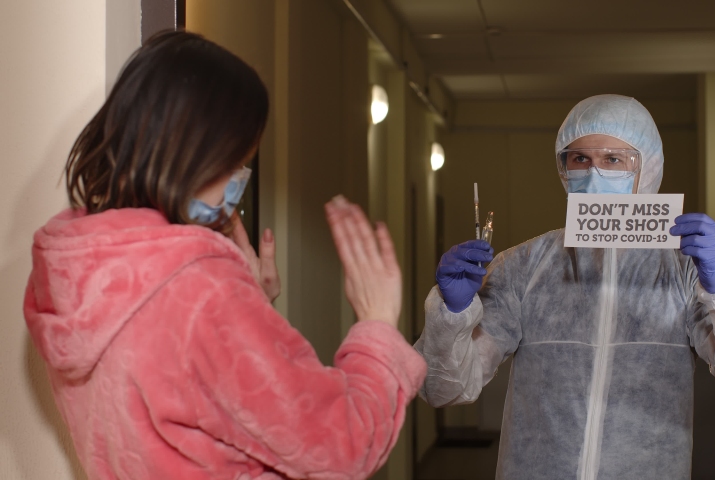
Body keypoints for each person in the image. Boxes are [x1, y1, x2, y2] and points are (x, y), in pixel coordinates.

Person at [24, 31, 425, 480]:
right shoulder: (202, 292)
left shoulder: (75, 272)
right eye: (234, 161)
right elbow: (343, 445)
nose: (239, 179)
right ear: (193, 150)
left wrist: (248, 305)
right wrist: (377, 325)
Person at [414, 94, 715, 479]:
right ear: (563, 168)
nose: (594, 173)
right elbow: (444, 389)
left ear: (648, 167)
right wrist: (451, 314)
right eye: (580, 159)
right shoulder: (525, 267)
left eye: (614, 159)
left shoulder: (684, 273)